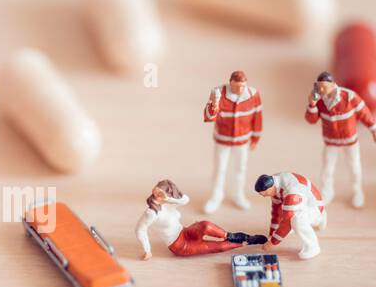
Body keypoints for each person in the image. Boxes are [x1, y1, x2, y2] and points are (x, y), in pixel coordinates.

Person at [304, 71, 376, 208]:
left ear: (333, 85)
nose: (321, 90)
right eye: (319, 87)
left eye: (324, 87)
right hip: (330, 141)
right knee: (327, 169)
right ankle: (327, 192)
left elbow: (364, 113)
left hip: (349, 140)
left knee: (354, 167)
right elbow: (311, 120)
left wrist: (374, 129)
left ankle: (357, 191)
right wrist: (312, 105)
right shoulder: (319, 100)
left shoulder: (349, 97)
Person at [135, 179, 264, 259]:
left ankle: (232, 235)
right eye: (157, 192)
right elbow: (140, 230)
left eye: (162, 193)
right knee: (217, 247)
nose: (157, 195)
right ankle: (247, 242)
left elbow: (185, 200)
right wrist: (147, 250)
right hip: (179, 245)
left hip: (184, 231)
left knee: (206, 225)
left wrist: (167, 198)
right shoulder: (151, 213)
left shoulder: (167, 202)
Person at [202, 70, 263, 213]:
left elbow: (258, 117)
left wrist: (256, 138)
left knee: (240, 169)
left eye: (243, 86)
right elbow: (208, 117)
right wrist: (213, 105)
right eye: (237, 86)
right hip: (222, 141)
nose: (240, 89)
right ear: (230, 83)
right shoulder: (219, 93)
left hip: (243, 142)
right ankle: (216, 196)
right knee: (219, 169)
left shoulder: (253, 95)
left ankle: (238, 195)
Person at [254, 172, 326, 260]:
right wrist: (272, 234)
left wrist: (273, 242)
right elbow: (276, 213)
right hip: (303, 202)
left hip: (314, 207)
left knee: (297, 220)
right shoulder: (275, 185)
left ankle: (313, 246)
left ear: (269, 188)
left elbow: (287, 220)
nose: (264, 196)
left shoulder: (291, 193)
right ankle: (317, 218)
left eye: (263, 194)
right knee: (291, 217)